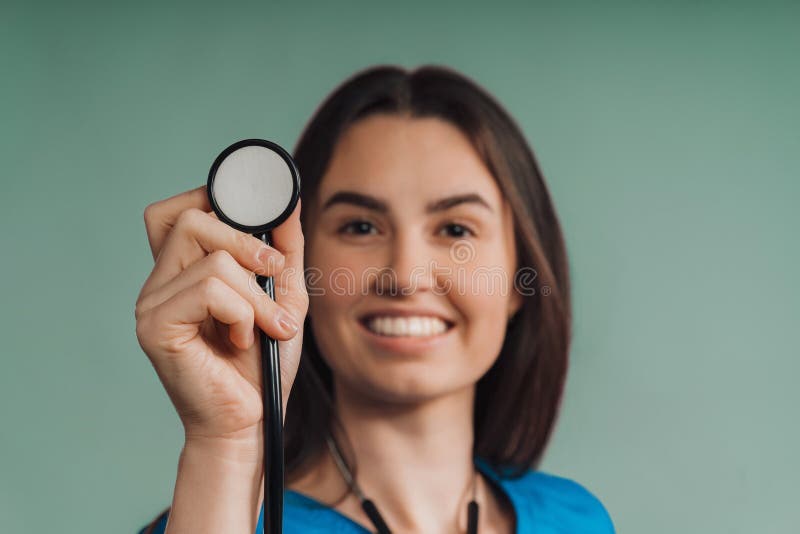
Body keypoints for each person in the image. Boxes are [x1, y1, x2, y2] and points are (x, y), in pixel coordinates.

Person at [135, 65, 615, 534]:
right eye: (360, 227)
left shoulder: (578, 520)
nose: (405, 277)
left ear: (519, 276)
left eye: (455, 230)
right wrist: (228, 445)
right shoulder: (211, 516)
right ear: (294, 264)